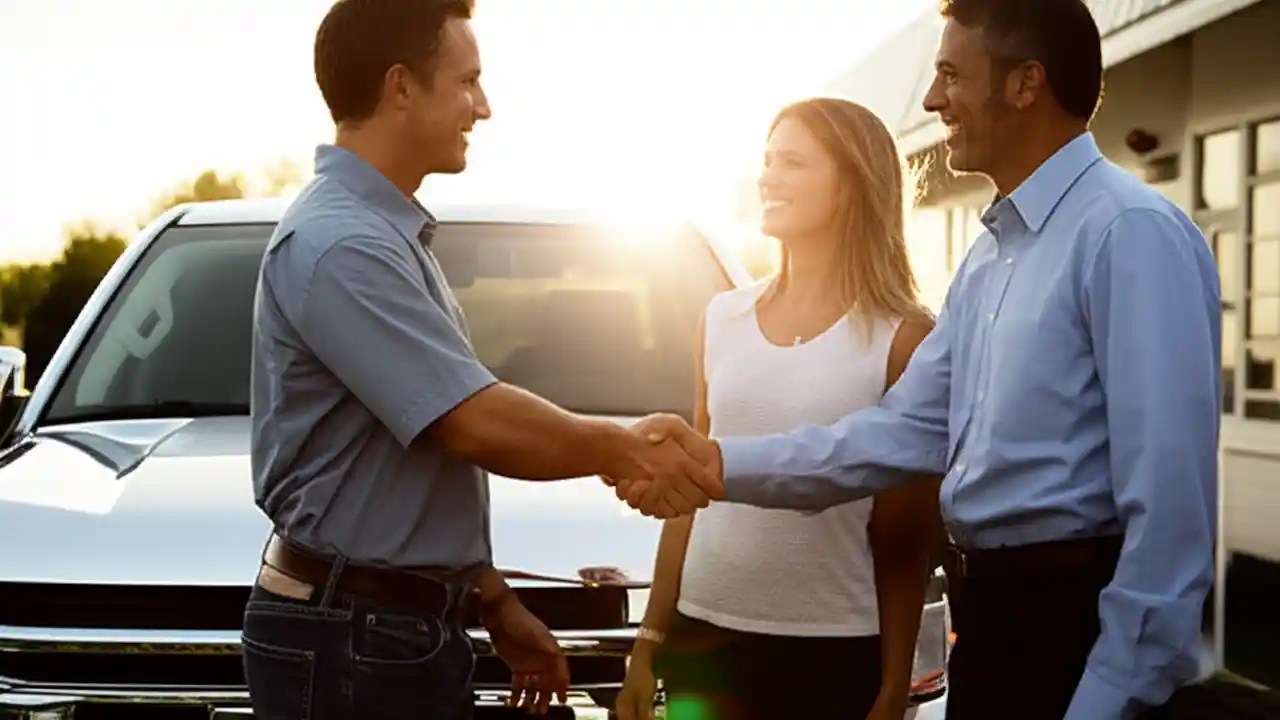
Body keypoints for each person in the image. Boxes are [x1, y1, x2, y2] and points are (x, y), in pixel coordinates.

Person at [615, 1, 1222, 718]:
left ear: (1025, 84)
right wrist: (713, 463)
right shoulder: (990, 258)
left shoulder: (1129, 233)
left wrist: (1107, 698)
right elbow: (895, 434)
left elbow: (1170, 516)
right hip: (993, 624)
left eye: (951, 75)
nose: (933, 100)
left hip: (1073, 633)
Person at [243, 1, 717, 718]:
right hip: (354, 642)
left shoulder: (380, 235)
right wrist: (624, 449)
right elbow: (470, 421)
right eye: (467, 81)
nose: (484, 106)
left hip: (380, 628)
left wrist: (489, 595)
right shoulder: (343, 246)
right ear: (401, 87)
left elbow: (402, 468)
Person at [614, 98, 943, 720]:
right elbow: (690, 493)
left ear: (852, 183)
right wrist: (649, 642)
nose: (768, 177)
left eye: (792, 162)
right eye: (768, 161)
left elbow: (904, 539)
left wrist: (894, 686)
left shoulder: (904, 337)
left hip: (832, 651)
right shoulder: (722, 317)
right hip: (702, 639)